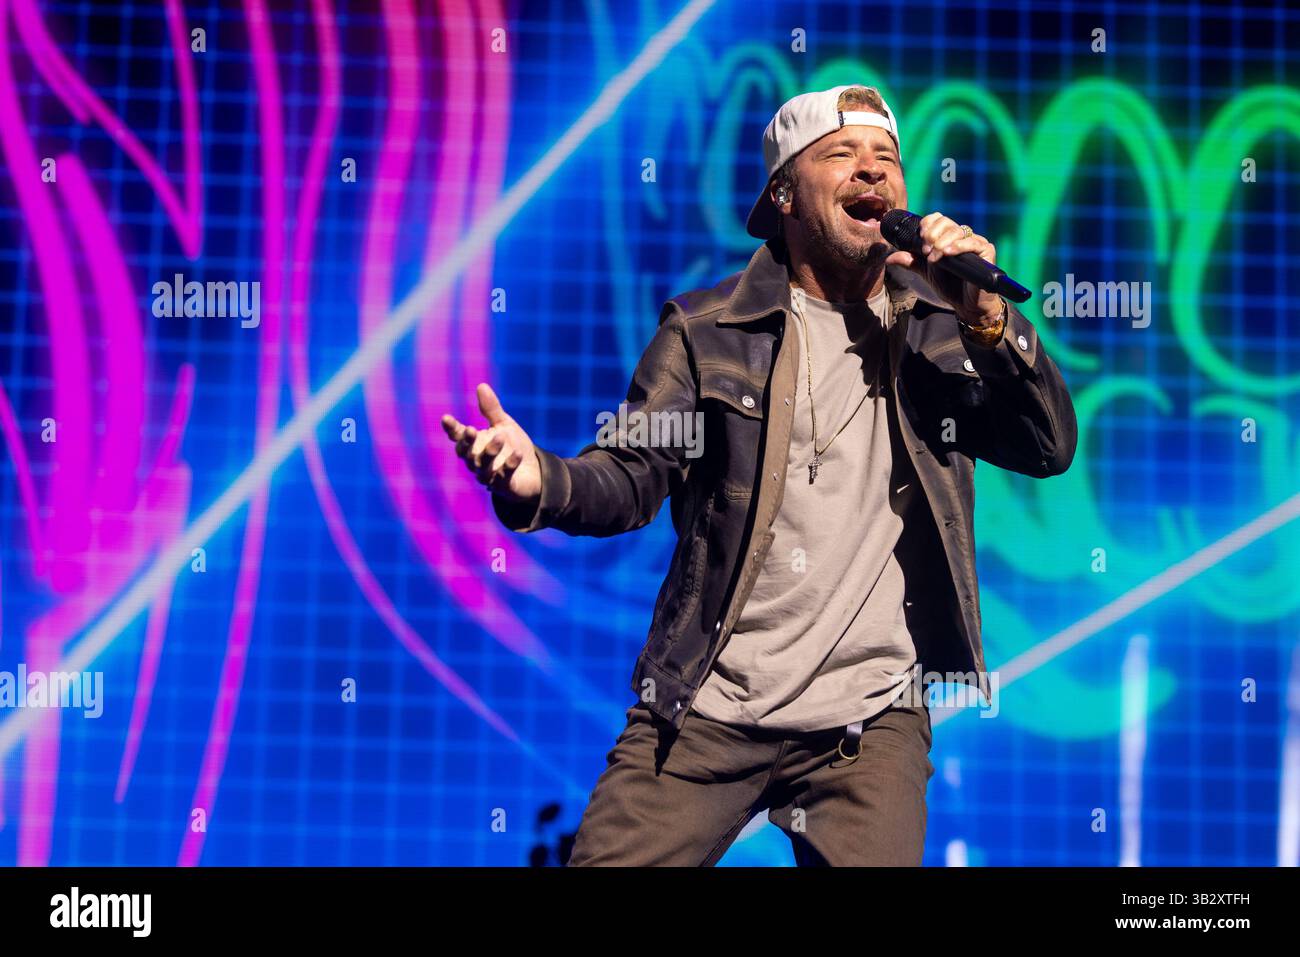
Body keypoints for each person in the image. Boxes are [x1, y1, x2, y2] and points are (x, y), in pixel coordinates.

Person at [441, 85, 1078, 866]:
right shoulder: (709, 332)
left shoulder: (940, 327)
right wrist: (539, 479)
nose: (872, 173)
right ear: (782, 192)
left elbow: (1046, 444)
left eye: (887, 160)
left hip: (867, 721)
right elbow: (634, 474)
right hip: (710, 703)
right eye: (842, 155)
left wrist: (987, 316)